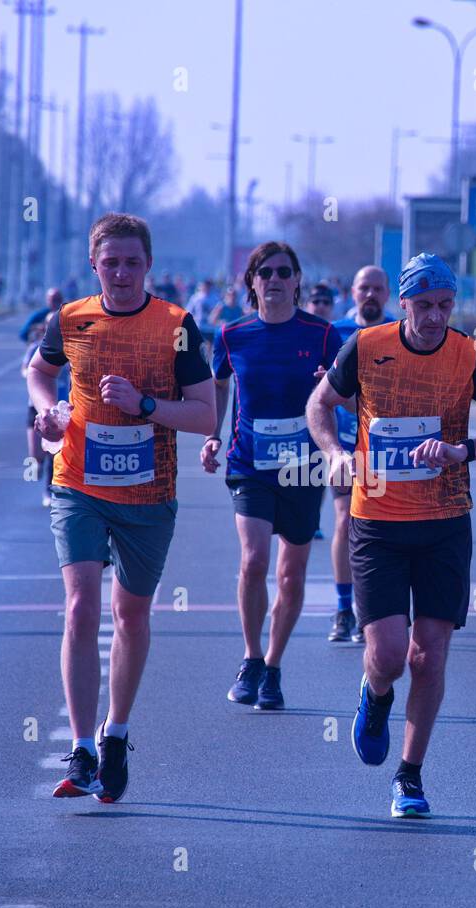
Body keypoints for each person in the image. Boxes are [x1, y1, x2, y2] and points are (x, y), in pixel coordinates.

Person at [307, 253, 476, 818]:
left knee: (428, 658)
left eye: (446, 306)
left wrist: (465, 450)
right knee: (386, 655)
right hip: (378, 523)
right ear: (403, 302)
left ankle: (409, 776)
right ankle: (375, 695)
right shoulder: (366, 346)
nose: (436, 317)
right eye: (426, 305)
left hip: (444, 524)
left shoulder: (468, 356)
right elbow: (319, 403)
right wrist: (334, 453)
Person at [28, 213, 216, 802]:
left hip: (148, 493)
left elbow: (206, 414)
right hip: (78, 483)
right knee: (81, 608)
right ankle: (82, 747)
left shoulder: (178, 326)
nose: (122, 272)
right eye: (111, 262)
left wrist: (144, 404)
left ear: (148, 266)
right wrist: (49, 409)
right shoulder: (72, 319)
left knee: (131, 616)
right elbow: (38, 371)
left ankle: (116, 732)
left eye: (133, 262)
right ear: (94, 265)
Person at [202, 242, 341, 710]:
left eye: (285, 271)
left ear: (298, 280)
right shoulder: (232, 335)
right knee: (254, 560)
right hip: (250, 464)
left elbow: (349, 393)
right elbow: (219, 383)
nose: (276, 279)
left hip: (303, 467)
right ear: (253, 282)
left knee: (291, 572)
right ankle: (251, 657)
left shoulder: (323, 336)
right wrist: (213, 434)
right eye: (266, 272)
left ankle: (275, 666)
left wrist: (332, 388)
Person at [325, 265, 393, 643]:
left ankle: (373, 612)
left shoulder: (400, 332)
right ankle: (342, 609)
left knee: (382, 529)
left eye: (377, 289)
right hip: (344, 446)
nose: (370, 294)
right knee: (343, 522)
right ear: (352, 292)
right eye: (363, 287)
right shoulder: (333, 333)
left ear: (388, 294)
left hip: (387, 448)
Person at [22, 288, 65, 506]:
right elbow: (27, 370)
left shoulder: (70, 347)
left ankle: (50, 491)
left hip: (62, 406)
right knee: (36, 455)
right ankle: (36, 467)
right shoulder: (35, 348)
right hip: (36, 406)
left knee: (55, 453)